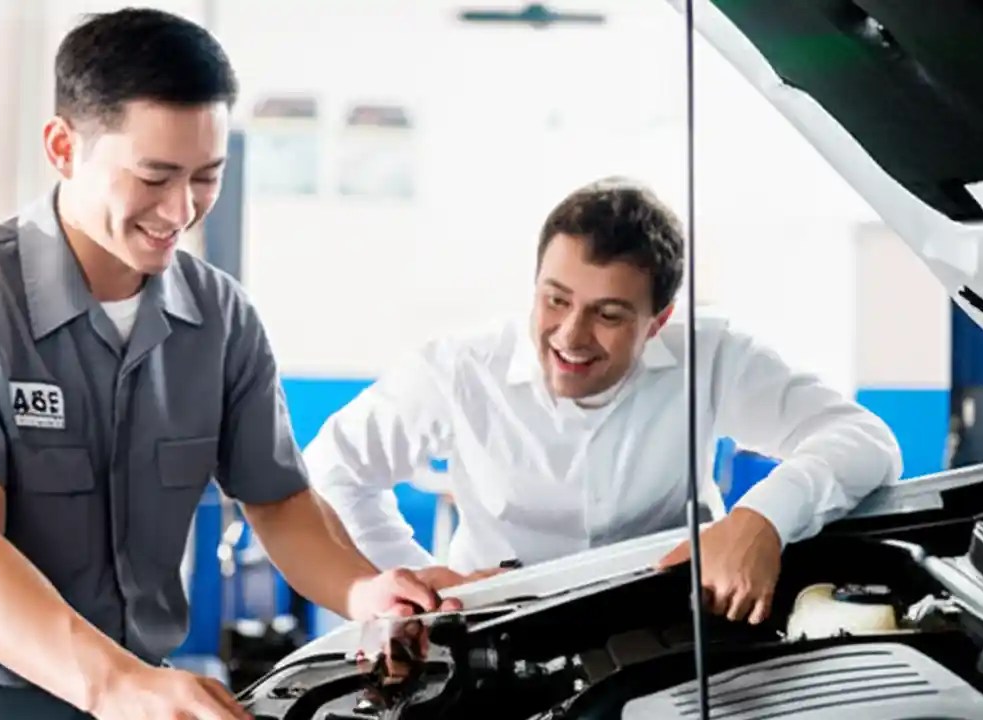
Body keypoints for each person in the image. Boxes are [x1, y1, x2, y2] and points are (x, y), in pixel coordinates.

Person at [0, 9, 458, 720]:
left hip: (138, 695)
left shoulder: (220, 319)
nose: (181, 210)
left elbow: (279, 501)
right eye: (154, 176)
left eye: (207, 176)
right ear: (62, 146)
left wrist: (364, 593)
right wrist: (117, 685)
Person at [305, 177, 904, 626]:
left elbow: (867, 442)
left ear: (657, 320)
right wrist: (413, 588)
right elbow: (331, 470)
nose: (570, 335)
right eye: (555, 300)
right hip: (496, 629)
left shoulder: (712, 357)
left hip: (670, 624)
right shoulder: (460, 370)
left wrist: (762, 519)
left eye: (609, 314)